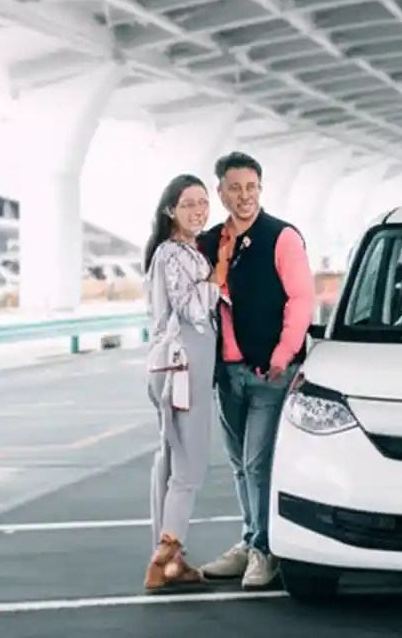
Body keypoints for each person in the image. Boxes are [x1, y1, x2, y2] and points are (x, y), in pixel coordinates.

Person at [196, 151, 315, 589]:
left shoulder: (282, 237)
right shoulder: (210, 243)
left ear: (260, 189)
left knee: (258, 462)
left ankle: (265, 550)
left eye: (251, 187)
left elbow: (301, 300)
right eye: (235, 188)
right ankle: (250, 541)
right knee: (238, 464)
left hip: (270, 370)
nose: (244, 196)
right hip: (226, 371)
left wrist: (283, 355)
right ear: (221, 191)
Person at [141, 173, 222, 592]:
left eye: (203, 202)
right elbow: (191, 309)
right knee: (189, 468)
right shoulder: (173, 254)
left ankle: (169, 557)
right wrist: (219, 274)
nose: (198, 211)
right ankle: (165, 557)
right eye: (189, 203)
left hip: (175, 368)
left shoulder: (183, 251)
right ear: (170, 210)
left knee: (170, 463)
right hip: (183, 369)